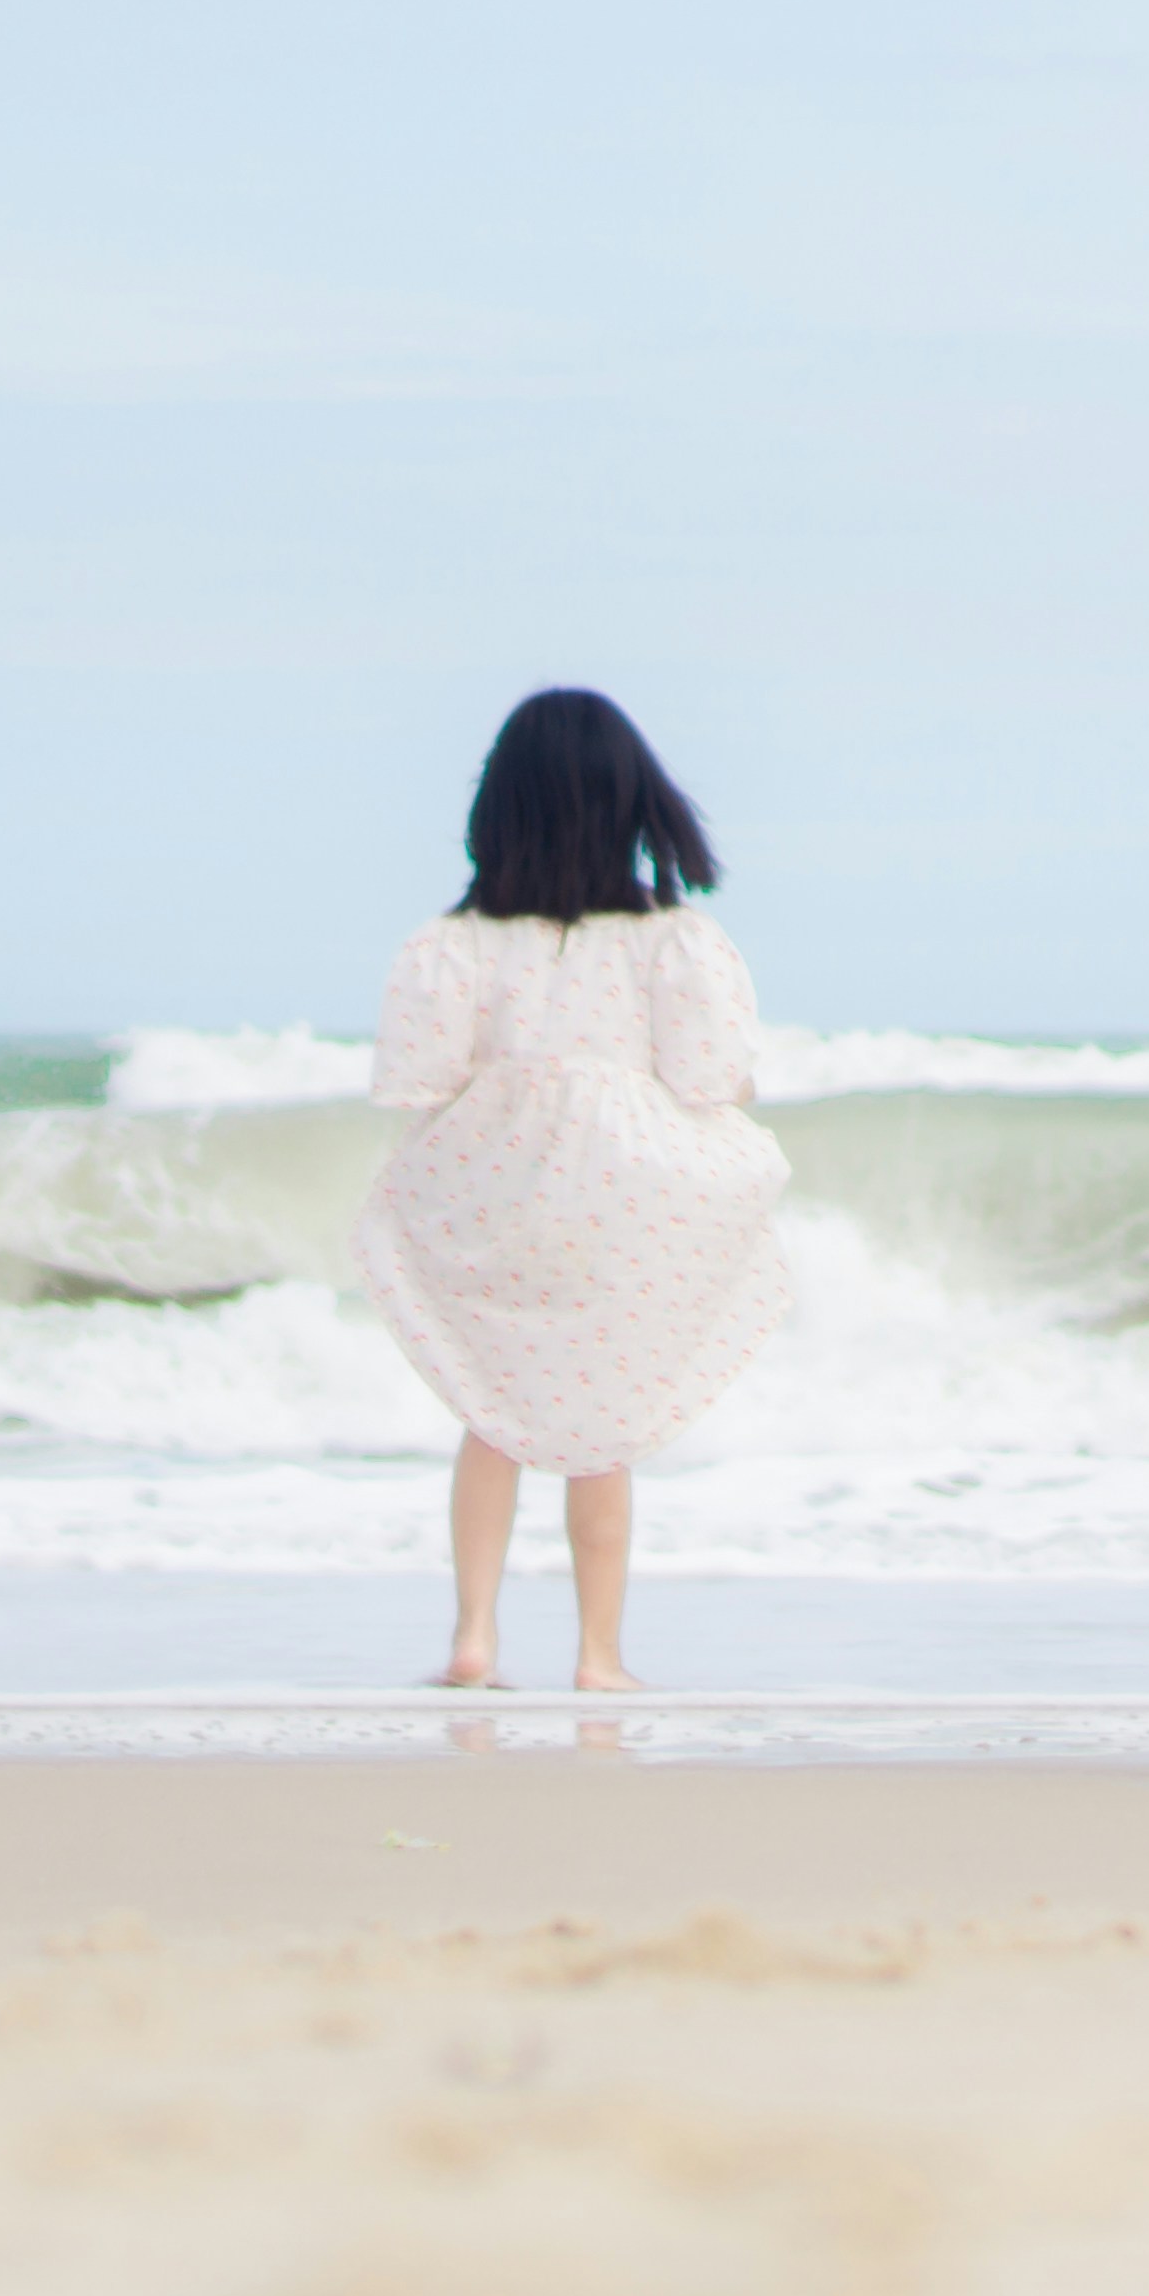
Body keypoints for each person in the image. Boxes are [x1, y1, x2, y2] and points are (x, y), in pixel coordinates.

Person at [353, 689, 793, 1693]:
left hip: (498, 1190)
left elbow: (418, 1080)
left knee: (489, 1407)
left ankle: (475, 1638)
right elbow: (707, 1079)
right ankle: (600, 1656)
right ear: (635, 804)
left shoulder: (454, 944)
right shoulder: (669, 943)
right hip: (623, 1197)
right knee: (603, 1429)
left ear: (494, 806)